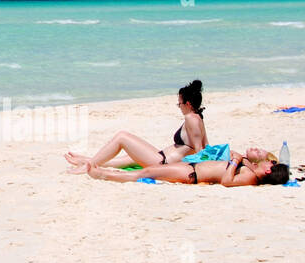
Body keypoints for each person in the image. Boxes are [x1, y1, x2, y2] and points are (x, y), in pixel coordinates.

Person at [65, 79, 207, 173]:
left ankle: (88, 166)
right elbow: (206, 145)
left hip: (162, 163)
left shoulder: (190, 119)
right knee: (124, 160)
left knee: (122, 137)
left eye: (179, 104)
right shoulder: (198, 117)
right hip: (161, 157)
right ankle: (88, 160)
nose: (178, 107)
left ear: (188, 104)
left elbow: (199, 151)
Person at [85, 147, 289, 186]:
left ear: (269, 169)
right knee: (146, 170)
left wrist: (234, 162)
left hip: (192, 174)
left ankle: (102, 175)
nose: (268, 161)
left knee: (145, 172)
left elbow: (227, 181)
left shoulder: (251, 178)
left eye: (271, 162)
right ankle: (103, 172)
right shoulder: (251, 172)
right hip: (191, 169)